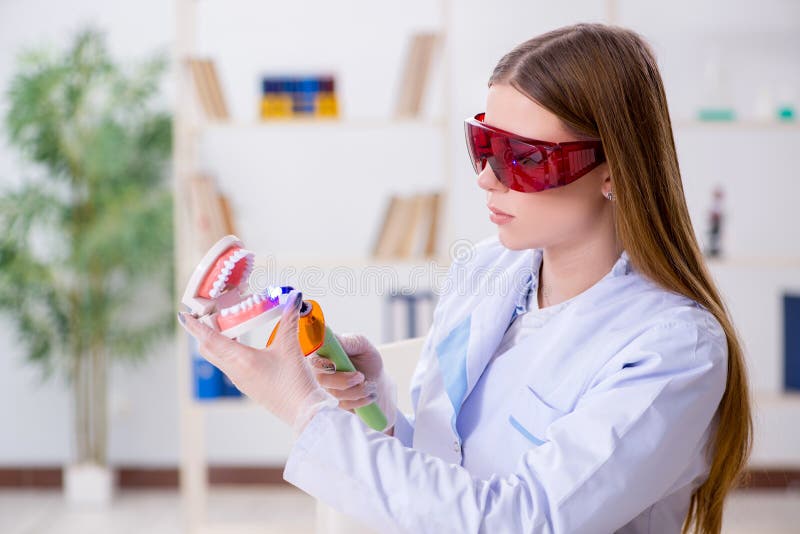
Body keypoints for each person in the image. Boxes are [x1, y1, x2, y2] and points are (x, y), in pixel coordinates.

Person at [179, 22, 752, 534]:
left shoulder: (674, 349)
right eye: (482, 145)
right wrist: (374, 406)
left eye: (523, 158)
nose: (486, 178)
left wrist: (303, 413)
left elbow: (525, 521)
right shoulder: (485, 268)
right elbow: (442, 480)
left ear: (614, 171)